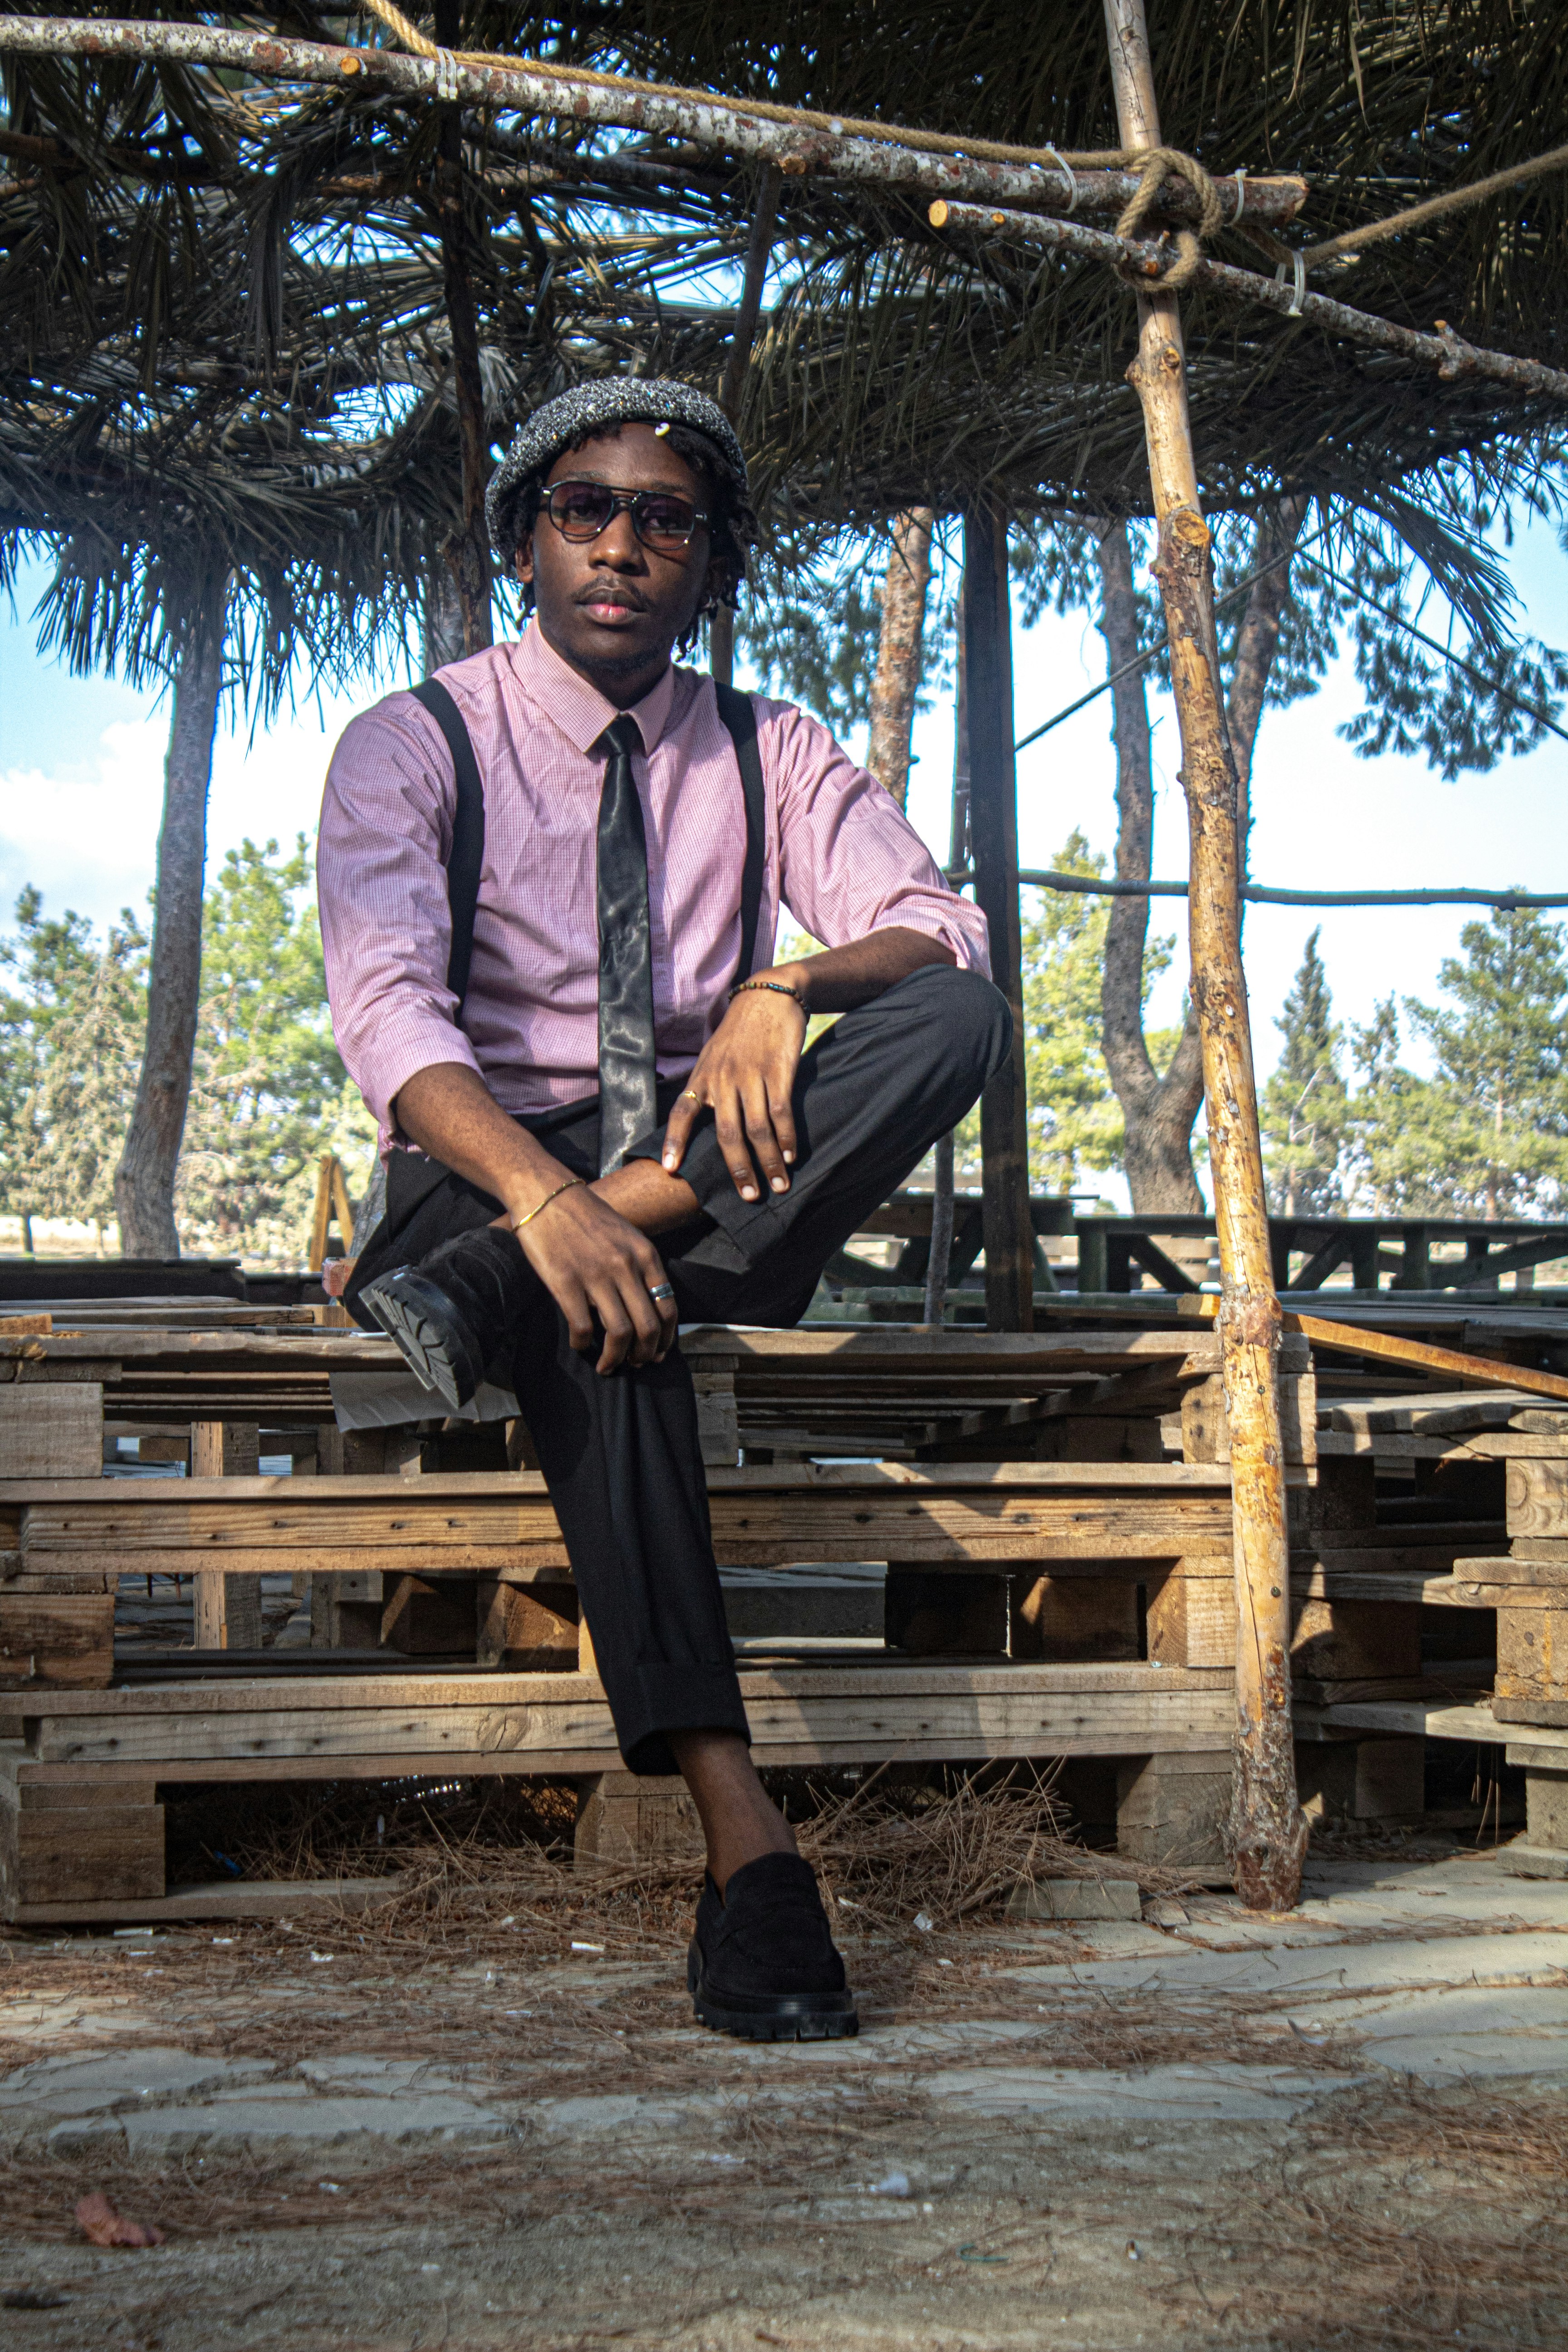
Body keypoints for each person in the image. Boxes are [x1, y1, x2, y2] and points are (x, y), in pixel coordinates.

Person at [318, 377, 1008, 2042]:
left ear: (714, 558)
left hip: (707, 1173)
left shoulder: (770, 747)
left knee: (955, 1019)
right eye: (585, 507)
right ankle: (745, 1841)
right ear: (527, 541)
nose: (624, 542)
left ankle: (543, 1266)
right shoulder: (415, 739)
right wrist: (548, 1200)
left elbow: (943, 927)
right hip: (477, 1179)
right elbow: (391, 1015)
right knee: (604, 1318)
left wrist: (787, 978)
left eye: (667, 517)